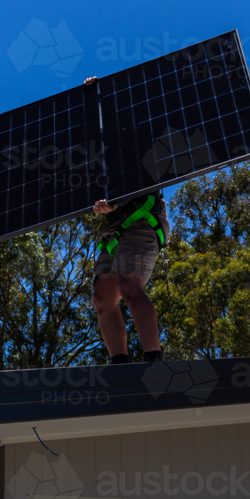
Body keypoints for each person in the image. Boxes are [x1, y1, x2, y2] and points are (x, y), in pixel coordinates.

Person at [84, 76, 171, 364]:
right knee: (102, 298)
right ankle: (120, 366)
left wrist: (115, 203)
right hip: (115, 229)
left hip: (141, 219)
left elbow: (142, 175)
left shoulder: (137, 137)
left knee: (128, 285)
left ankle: (154, 358)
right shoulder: (100, 151)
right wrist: (89, 97)